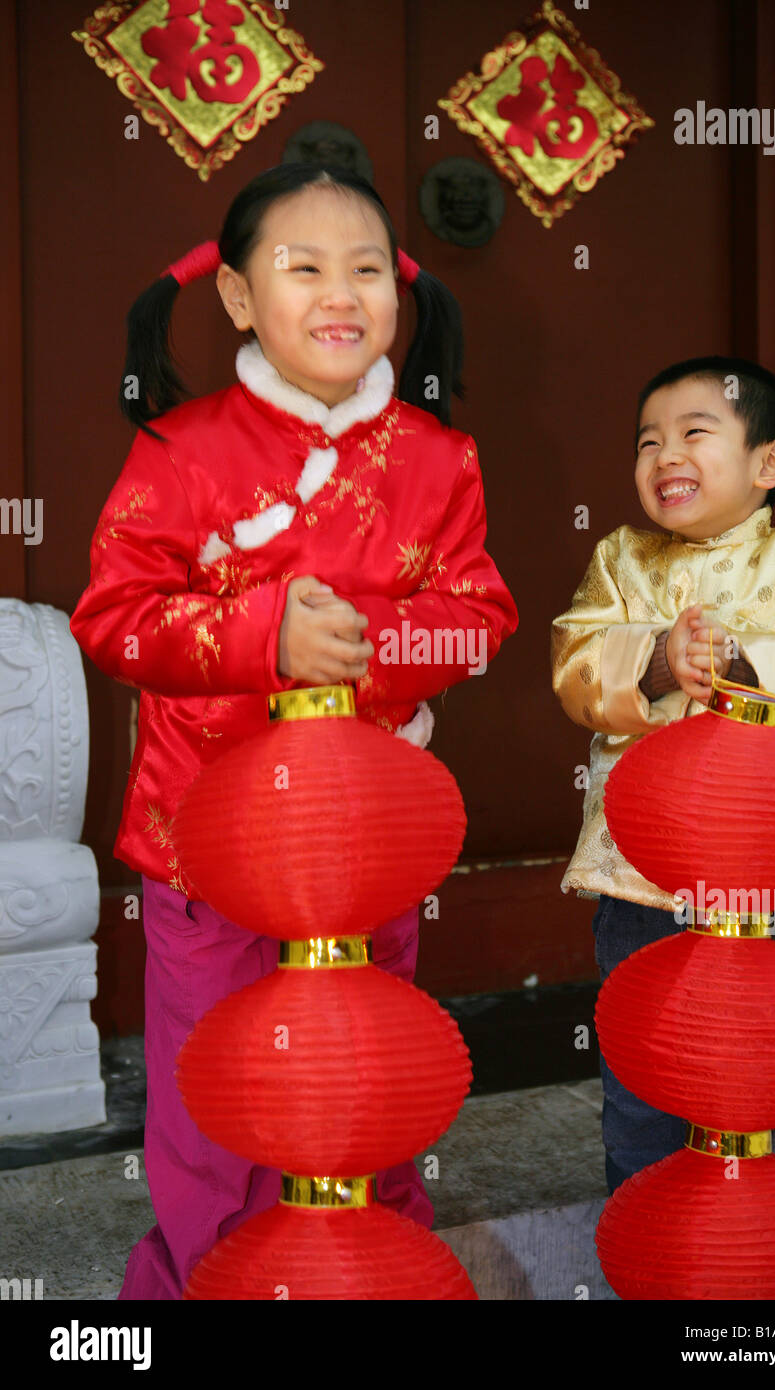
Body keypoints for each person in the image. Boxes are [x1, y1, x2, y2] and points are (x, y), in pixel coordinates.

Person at [70, 162, 518, 1299]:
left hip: (362, 847)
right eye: (301, 265)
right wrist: (264, 638)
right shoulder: (180, 449)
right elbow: (114, 617)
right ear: (233, 297)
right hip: (201, 843)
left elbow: (478, 613)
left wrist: (363, 643)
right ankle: (207, 1282)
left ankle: (372, 1273)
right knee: (218, 1095)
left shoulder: (437, 457)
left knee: (362, 1077)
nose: (340, 292)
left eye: (366, 268)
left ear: (398, 295)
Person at [551, 355, 775, 1195]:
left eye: (694, 433)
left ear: (769, 463)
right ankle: (654, 1247)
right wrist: (654, 658)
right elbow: (575, 665)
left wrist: (748, 660)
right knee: (649, 1072)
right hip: (642, 879)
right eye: (647, 441)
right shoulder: (624, 559)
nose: (664, 456)